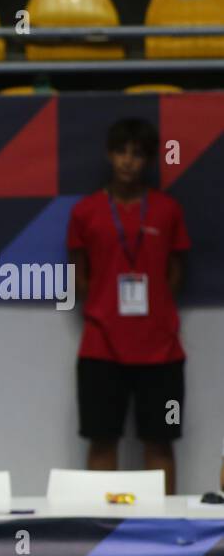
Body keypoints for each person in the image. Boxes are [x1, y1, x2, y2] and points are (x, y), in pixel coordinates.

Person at [67, 118, 190, 494]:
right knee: (102, 440)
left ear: (149, 161)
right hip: (101, 348)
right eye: (121, 151)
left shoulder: (168, 210)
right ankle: (100, 529)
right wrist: (107, 307)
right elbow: (78, 277)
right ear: (109, 154)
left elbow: (175, 274)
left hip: (162, 350)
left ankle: (167, 534)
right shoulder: (85, 212)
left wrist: (152, 310)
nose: (127, 162)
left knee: (161, 440)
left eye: (137, 154)